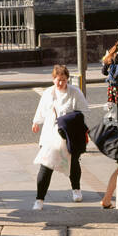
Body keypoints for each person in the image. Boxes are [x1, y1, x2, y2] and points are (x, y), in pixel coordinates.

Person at [31, 64, 91, 208]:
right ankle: (39, 200)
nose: (60, 83)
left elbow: (84, 112)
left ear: (67, 79)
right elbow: (41, 109)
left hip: (69, 136)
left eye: (63, 80)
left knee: (73, 164)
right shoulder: (48, 93)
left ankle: (76, 189)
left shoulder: (75, 92)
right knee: (46, 166)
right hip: (50, 136)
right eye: (58, 80)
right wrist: (36, 122)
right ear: (53, 79)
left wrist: (67, 120)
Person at [101, 42, 118, 124]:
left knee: (111, 102)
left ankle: (111, 119)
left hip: (111, 86)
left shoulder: (109, 57)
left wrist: (109, 73)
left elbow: (104, 72)